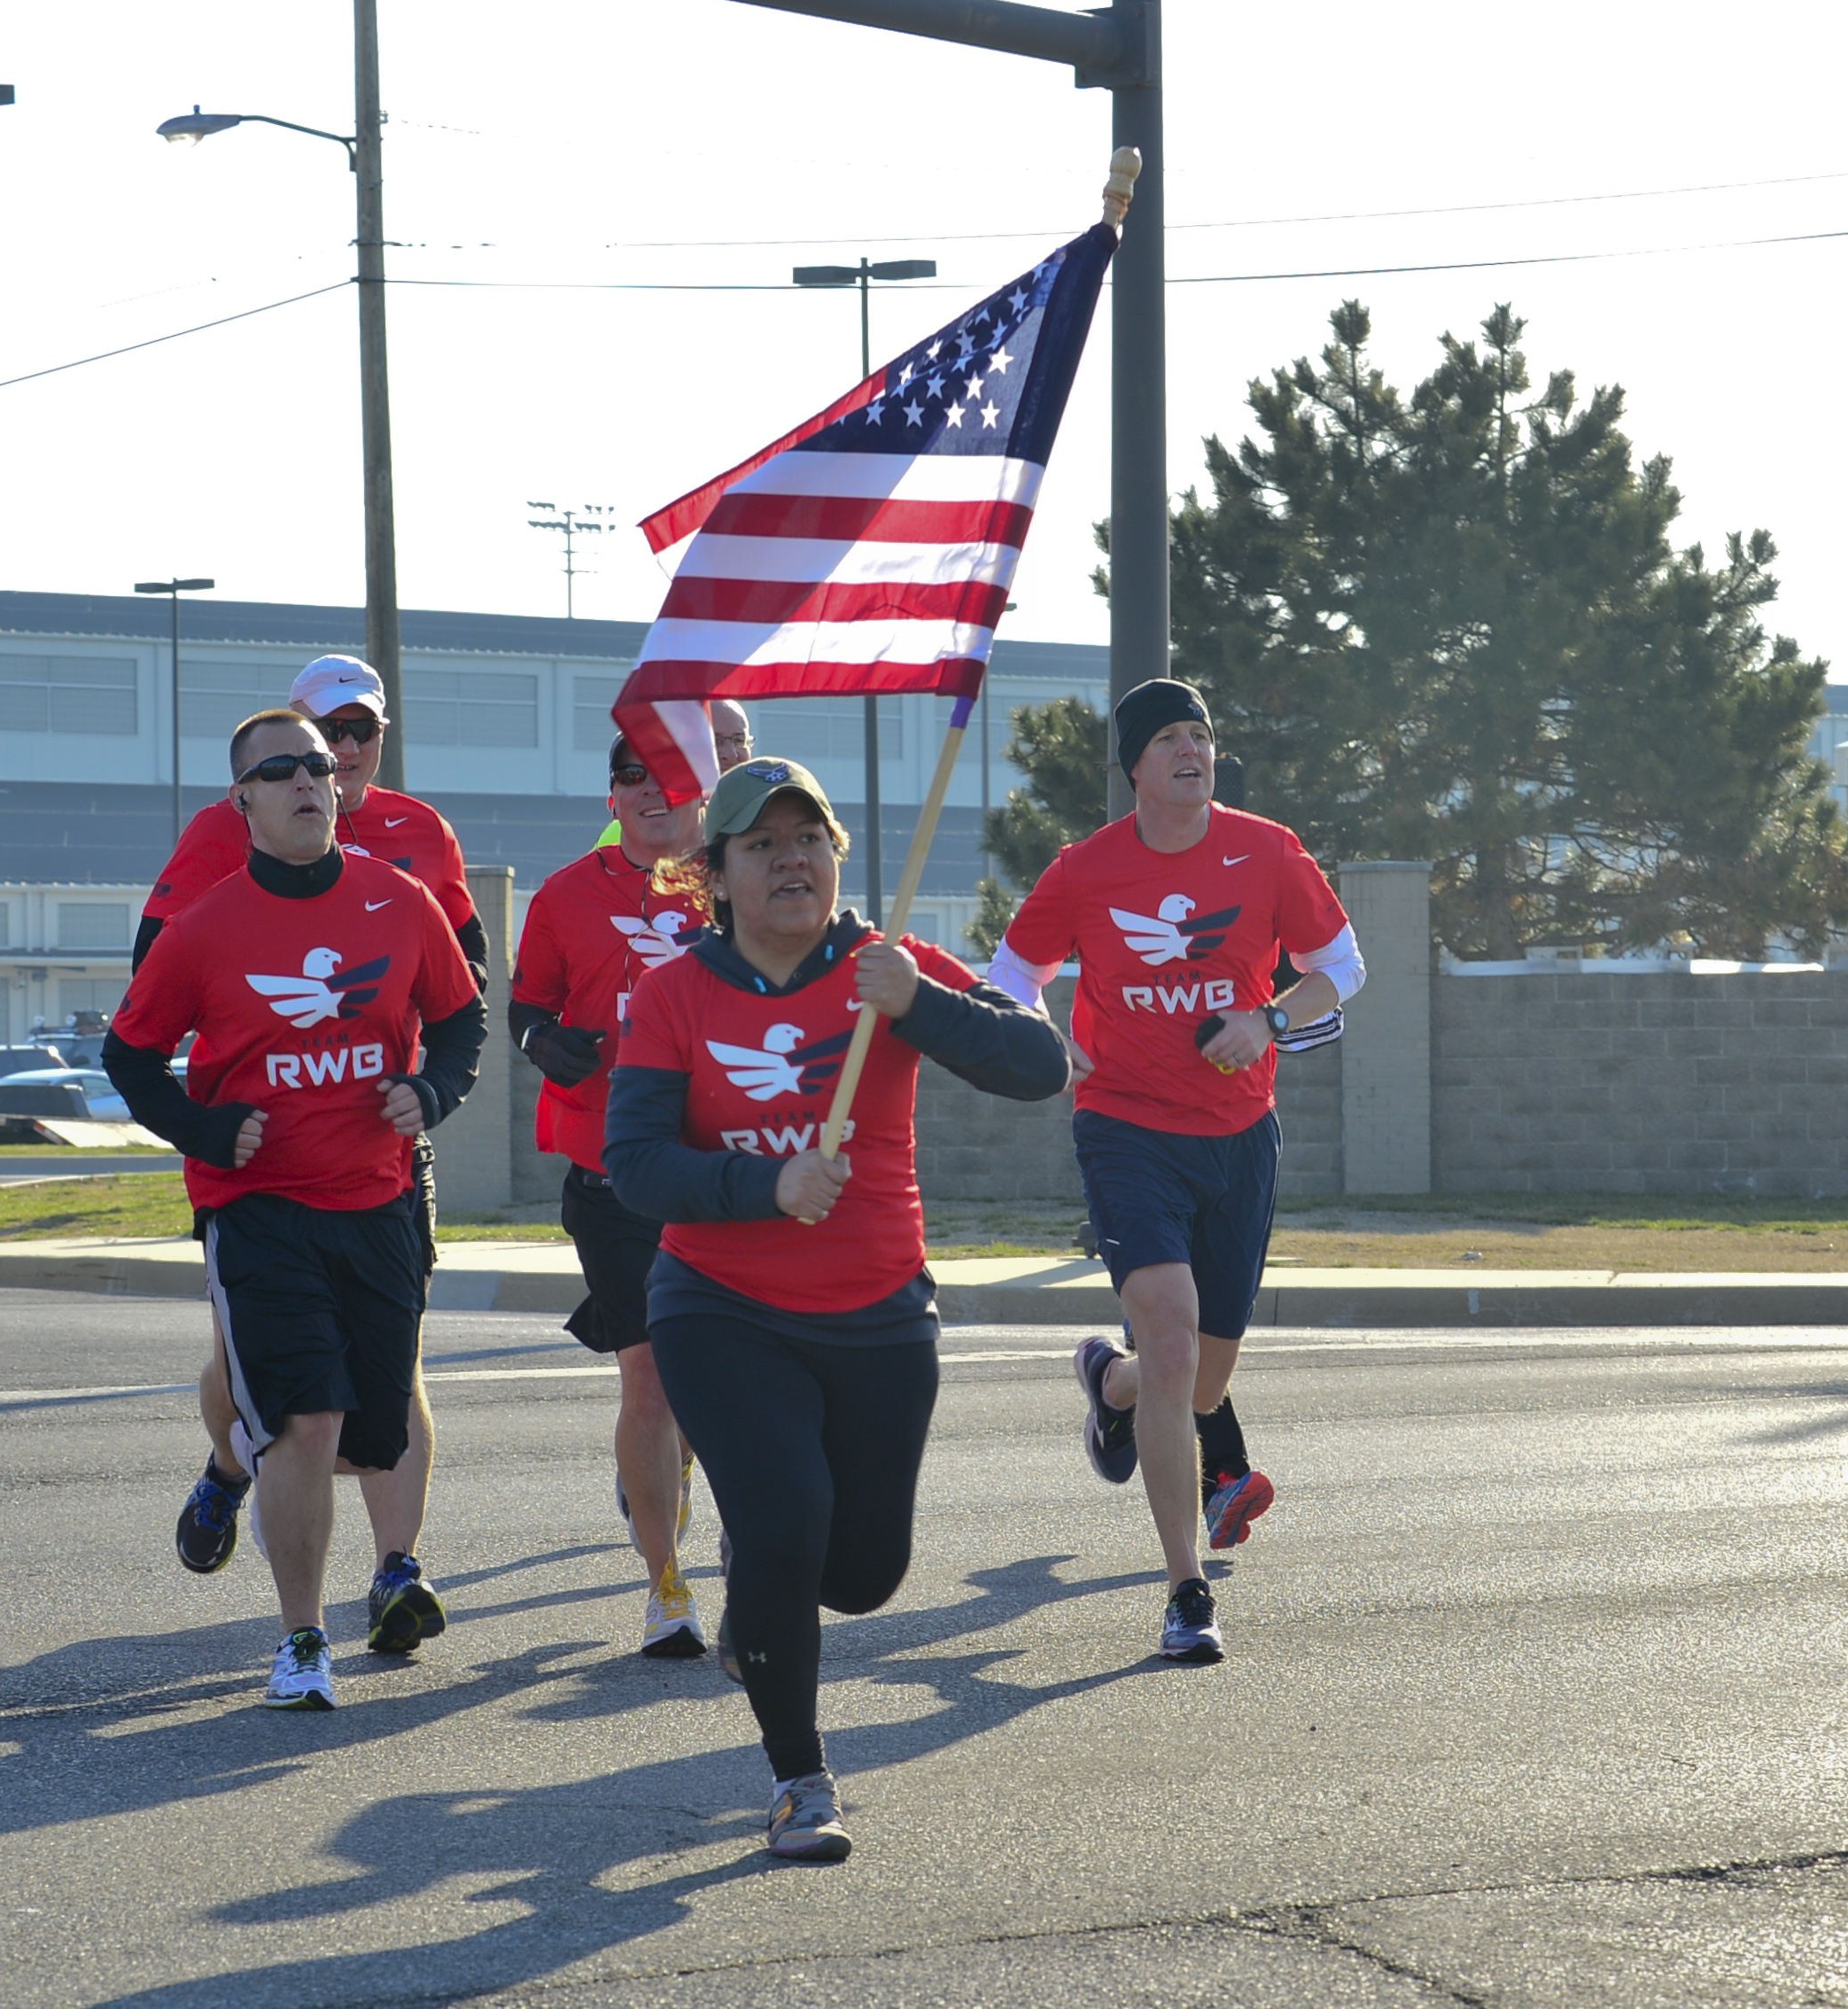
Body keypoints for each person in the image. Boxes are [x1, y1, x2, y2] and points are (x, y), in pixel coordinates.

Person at [607, 756, 1067, 1861]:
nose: (789, 860)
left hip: (878, 1310)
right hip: (721, 1307)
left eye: (806, 838)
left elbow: (1040, 1063)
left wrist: (919, 1003)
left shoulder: (885, 967)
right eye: (760, 844)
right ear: (714, 872)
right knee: (782, 1523)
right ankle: (798, 1779)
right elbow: (635, 1164)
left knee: (861, 1574)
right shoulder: (673, 993)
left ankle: (757, 1600)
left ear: (835, 856)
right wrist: (762, 1183)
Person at [105, 708, 485, 1710]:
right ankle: (303, 1639)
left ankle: (245, 1479)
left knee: (372, 1428)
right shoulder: (207, 924)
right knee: (306, 1422)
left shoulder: (399, 900)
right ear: (243, 800)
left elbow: (461, 1020)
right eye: (280, 771)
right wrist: (201, 1127)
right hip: (258, 1208)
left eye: (317, 765)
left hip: (377, 1200)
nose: (308, 781)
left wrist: (432, 1091)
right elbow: (130, 1056)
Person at [988, 679, 1364, 1664]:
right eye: (1168, 738)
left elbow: (1341, 966)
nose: (1191, 749)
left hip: (1239, 1133)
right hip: (1124, 1128)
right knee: (1168, 1339)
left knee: (1198, 1376)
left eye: (1199, 732)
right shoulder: (1085, 868)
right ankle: (1183, 1589)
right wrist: (1045, 1040)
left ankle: (1108, 1385)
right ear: (1133, 767)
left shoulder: (1267, 850)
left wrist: (1267, 1019)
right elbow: (1010, 973)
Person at [511, 732, 714, 1656]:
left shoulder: (735, 882)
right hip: (613, 1171)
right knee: (651, 1375)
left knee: (721, 1375)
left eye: (667, 776)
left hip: (722, 1169)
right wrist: (542, 1043)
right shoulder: (563, 895)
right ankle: (666, 1586)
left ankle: (696, 1484)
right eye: (631, 775)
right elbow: (526, 1007)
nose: (649, 790)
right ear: (612, 795)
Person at [596, 699, 752, 850]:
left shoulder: (759, 818)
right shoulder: (636, 828)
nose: (730, 754)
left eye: (739, 740)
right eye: (714, 741)